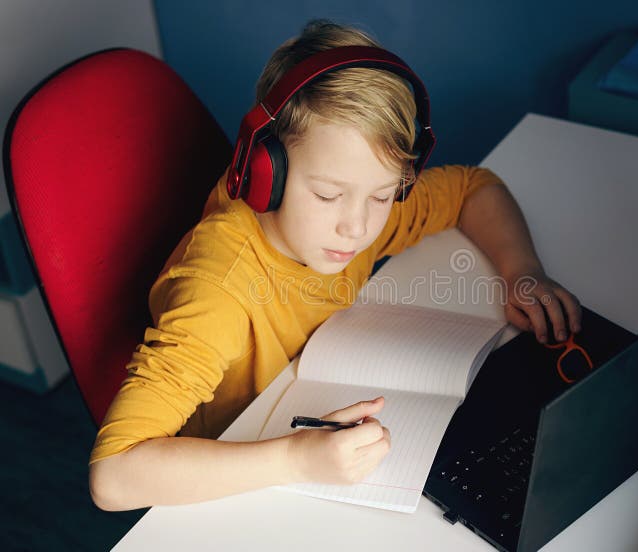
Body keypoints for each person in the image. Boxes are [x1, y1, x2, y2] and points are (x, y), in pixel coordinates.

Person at [88, 19, 582, 511]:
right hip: (232, 473)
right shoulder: (217, 287)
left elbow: (473, 187)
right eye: (327, 195)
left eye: (385, 195)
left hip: (310, 410)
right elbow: (114, 476)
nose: (357, 227)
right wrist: (296, 461)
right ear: (267, 173)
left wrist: (522, 271)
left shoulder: (352, 196)